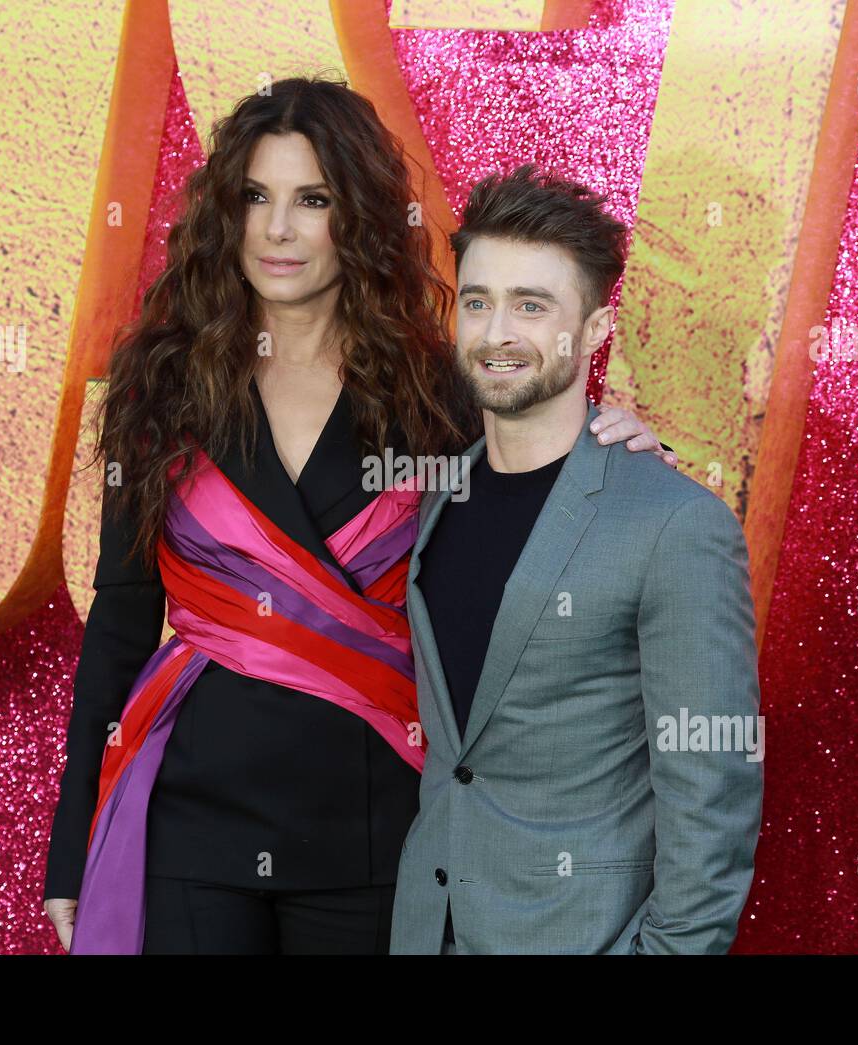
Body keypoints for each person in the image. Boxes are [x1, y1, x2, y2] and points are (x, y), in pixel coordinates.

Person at [42, 78, 672, 954]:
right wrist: (73, 844)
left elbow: (532, 559)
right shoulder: (163, 384)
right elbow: (118, 620)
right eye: (256, 197)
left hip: (379, 833)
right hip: (192, 825)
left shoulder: (438, 394)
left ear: (362, 216)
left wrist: (613, 452)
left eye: (313, 200)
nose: (278, 230)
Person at [390, 165, 763, 954]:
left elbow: (713, 795)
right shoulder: (431, 498)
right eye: (481, 301)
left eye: (533, 306)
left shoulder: (674, 526)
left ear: (595, 331)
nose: (498, 333)